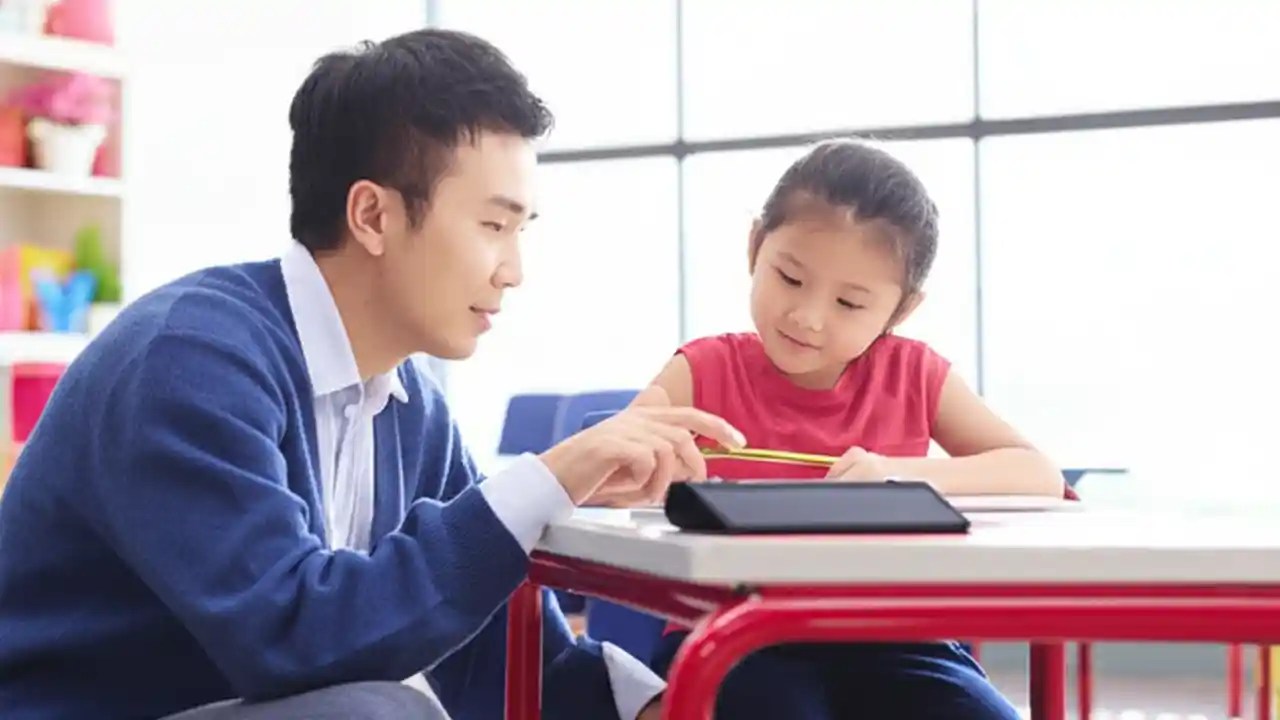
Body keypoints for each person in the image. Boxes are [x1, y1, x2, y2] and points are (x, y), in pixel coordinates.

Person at [0, 29, 745, 720]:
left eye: (521, 231)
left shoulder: (408, 403)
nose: (514, 271)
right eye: (493, 225)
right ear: (373, 216)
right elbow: (291, 637)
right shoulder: (188, 361)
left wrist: (663, 707)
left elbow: (507, 662)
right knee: (376, 714)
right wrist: (544, 480)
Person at [633, 139, 1065, 719]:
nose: (808, 317)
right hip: (733, 634)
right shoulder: (703, 370)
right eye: (789, 278)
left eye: (849, 303)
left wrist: (895, 475)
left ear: (900, 310)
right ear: (756, 246)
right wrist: (646, 463)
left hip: (898, 637)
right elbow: (612, 460)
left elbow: (1037, 473)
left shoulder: (915, 374)